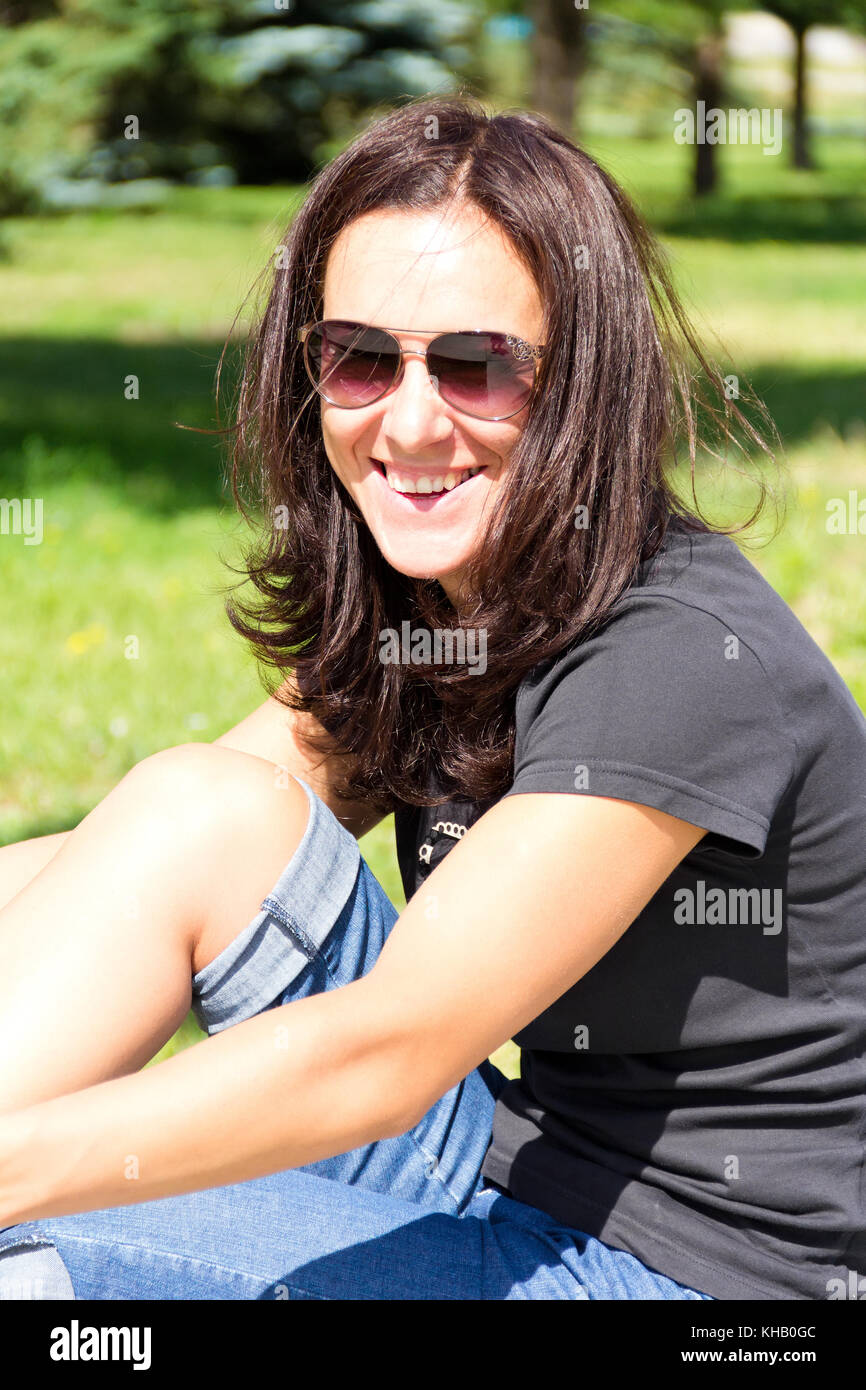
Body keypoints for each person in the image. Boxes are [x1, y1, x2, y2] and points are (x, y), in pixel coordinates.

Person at [0, 95, 864, 1303]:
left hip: (696, 1283)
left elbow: (393, 1051)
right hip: (510, 1170)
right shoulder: (439, 608)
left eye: (477, 365)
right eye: (358, 357)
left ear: (580, 382)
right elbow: (133, 859)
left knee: (41, 1261)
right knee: (203, 805)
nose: (408, 422)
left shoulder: (674, 659)